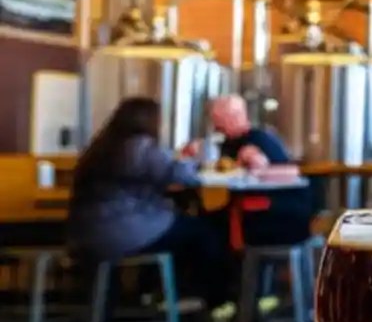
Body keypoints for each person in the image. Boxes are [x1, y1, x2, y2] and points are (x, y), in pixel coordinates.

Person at [69, 97, 228, 307]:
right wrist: (196, 159)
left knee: (176, 230)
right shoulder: (138, 147)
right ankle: (203, 300)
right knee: (206, 233)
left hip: (84, 235)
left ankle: (151, 294)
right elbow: (181, 175)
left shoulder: (101, 148)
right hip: (122, 233)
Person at [199, 95, 313, 246]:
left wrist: (259, 167)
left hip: (280, 215)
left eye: (219, 122)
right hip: (254, 211)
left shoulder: (261, 139)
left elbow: (290, 173)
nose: (216, 127)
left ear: (236, 117)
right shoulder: (228, 144)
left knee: (212, 228)